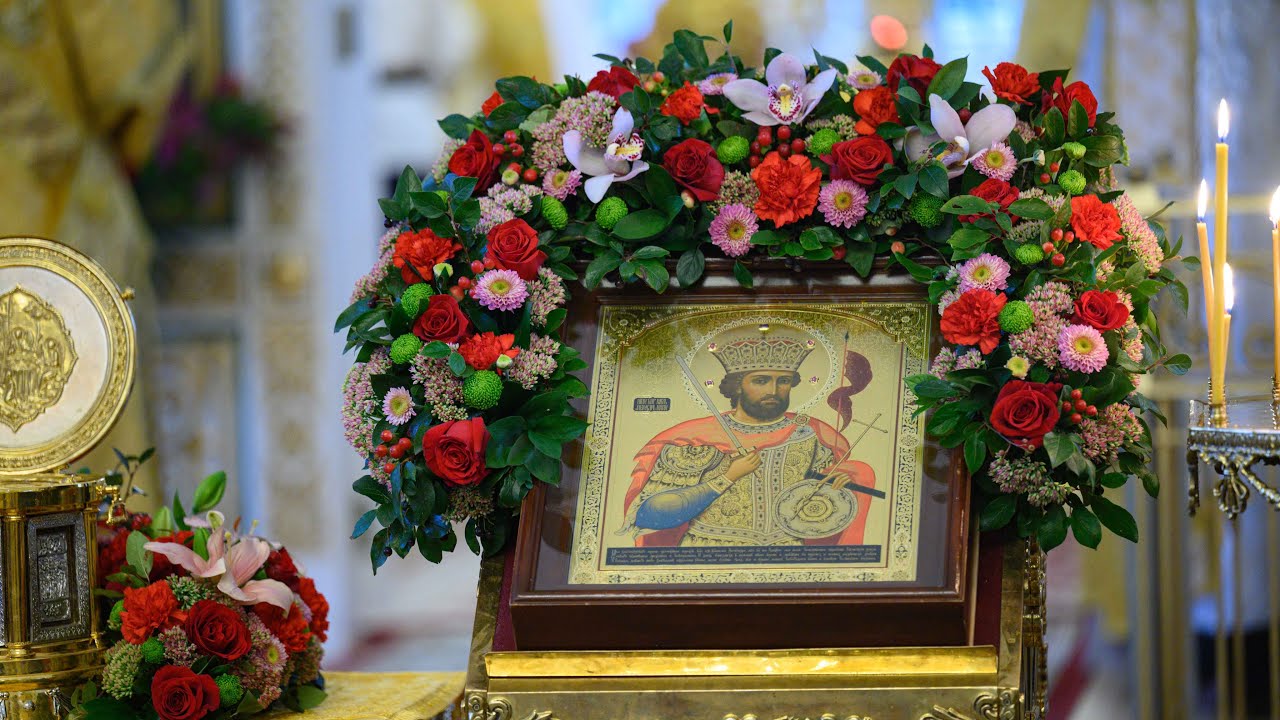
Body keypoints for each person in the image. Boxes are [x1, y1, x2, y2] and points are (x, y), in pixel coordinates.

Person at [621, 335, 876, 548]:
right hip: (707, 550)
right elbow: (650, 515)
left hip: (788, 552)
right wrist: (728, 477)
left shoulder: (811, 436)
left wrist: (838, 488)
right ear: (737, 386)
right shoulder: (695, 440)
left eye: (783, 381)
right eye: (761, 380)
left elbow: (820, 511)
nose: (773, 390)